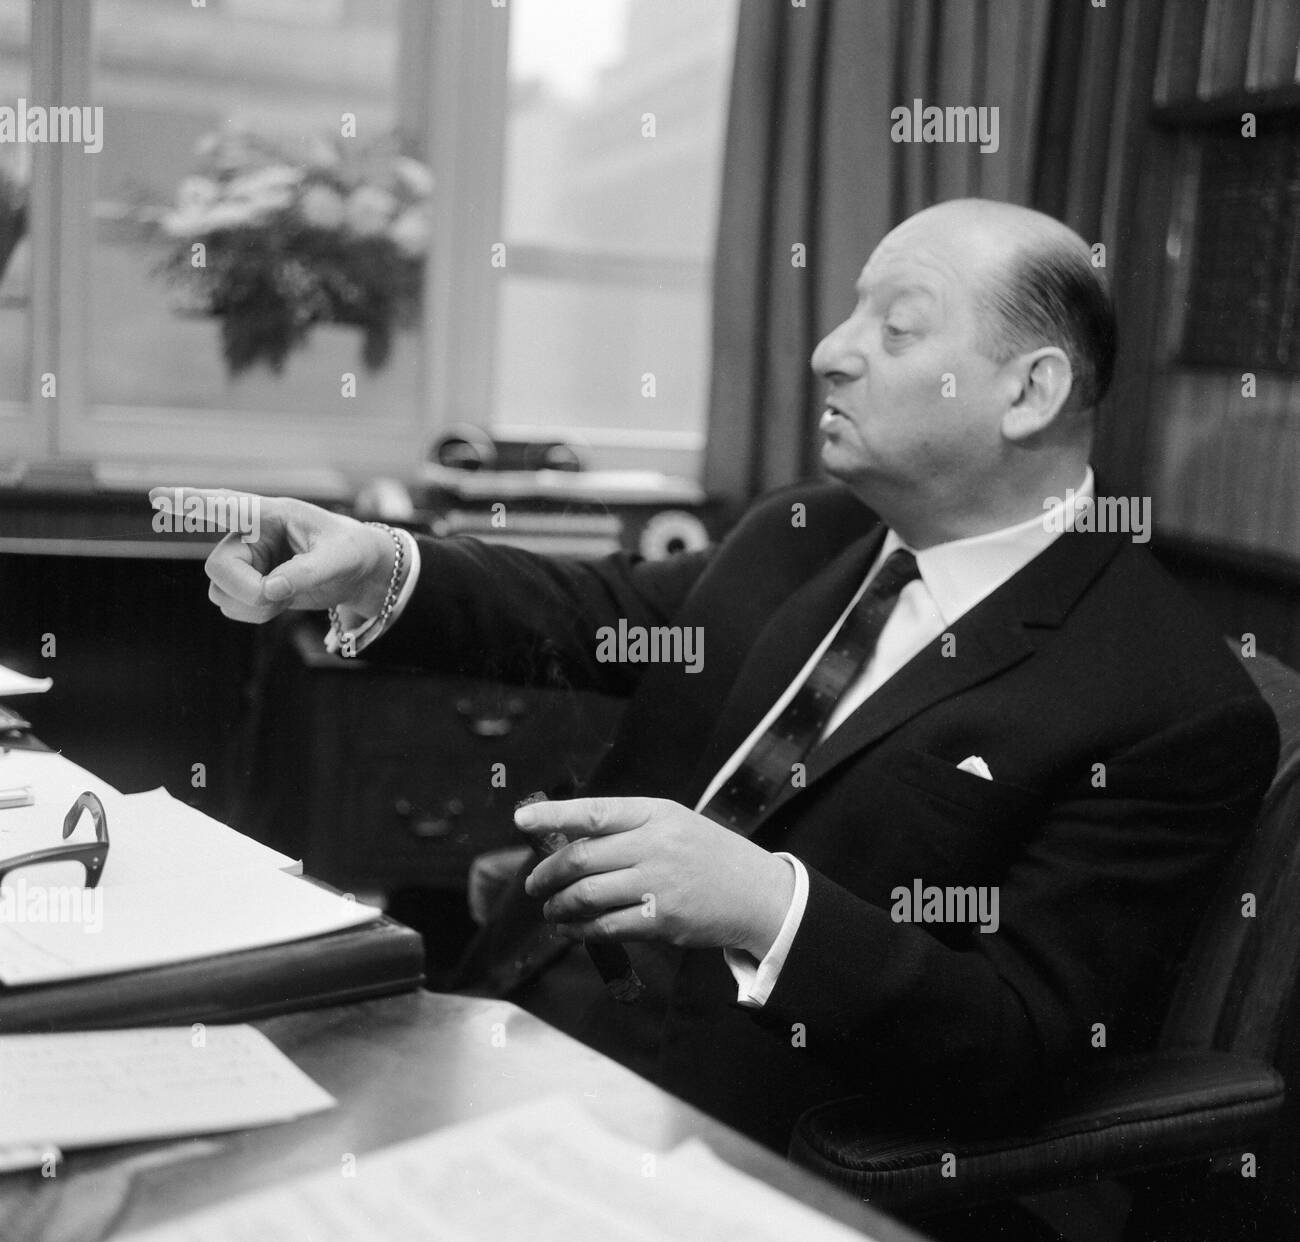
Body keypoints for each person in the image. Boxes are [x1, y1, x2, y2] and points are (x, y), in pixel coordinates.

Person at [175, 199, 1278, 1153]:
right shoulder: (807, 532)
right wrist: (381, 566)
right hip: (507, 1003)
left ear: (1031, 392)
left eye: (893, 328)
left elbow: (1020, 1039)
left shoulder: (1169, 702)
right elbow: (598, 612)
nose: (828, 352)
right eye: (849, 311)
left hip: (748, 1126)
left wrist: (767, 902)